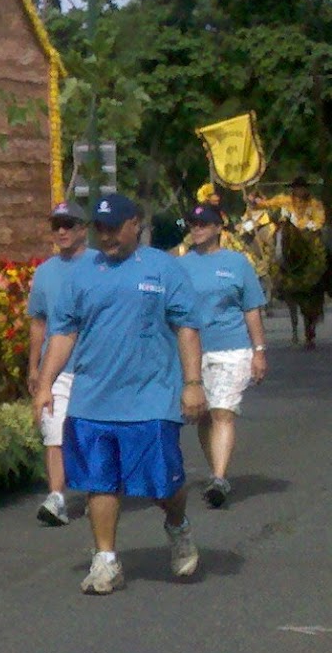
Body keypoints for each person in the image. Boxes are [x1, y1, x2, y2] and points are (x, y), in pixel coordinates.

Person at [32, 193, 205, 596]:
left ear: (136, 224)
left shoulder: (164, 269)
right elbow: (63, 332)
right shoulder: (83, 273)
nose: (107, 237)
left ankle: (177, 524)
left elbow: (187, 328)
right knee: (99, 482)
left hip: (151, 399)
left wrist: (193, 384)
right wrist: (44, 385)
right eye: (101, 229)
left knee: (164, 486)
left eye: (114, 228)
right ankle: (105, 560)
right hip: (93, 398)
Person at [176, 204, 268, 508]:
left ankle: (218, 477)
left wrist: (259, 351)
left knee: (223, 411)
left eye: (204, 223)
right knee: (203, 414)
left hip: (232, 348)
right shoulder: (181, 265)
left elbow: (251, 308)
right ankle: (216, 470)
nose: (197, 228)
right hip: (194, 351)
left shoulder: (237, 263)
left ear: (218, 227)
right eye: (193, 223)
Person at [25, 201, 89, 526]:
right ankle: (57, 497)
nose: (62, 231)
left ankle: (98, 491)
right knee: (54, 432)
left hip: (95, 367)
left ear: (83, 229)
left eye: (69, 224)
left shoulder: (100, 265)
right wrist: (35, 368)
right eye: (56, 226)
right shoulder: (45, 272)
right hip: (58, 368)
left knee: (91, 433)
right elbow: (38, 322)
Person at [251, 175, 326, 232]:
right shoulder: (285, 200)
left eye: (302, 188)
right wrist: (254, 203)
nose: (300, 190)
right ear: (293, 189)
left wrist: (309, 226)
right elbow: (268, 204)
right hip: (286, 232)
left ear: (306, 189)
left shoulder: (315, 204)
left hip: (307, 235)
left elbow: (319, 222)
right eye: (297, 188)